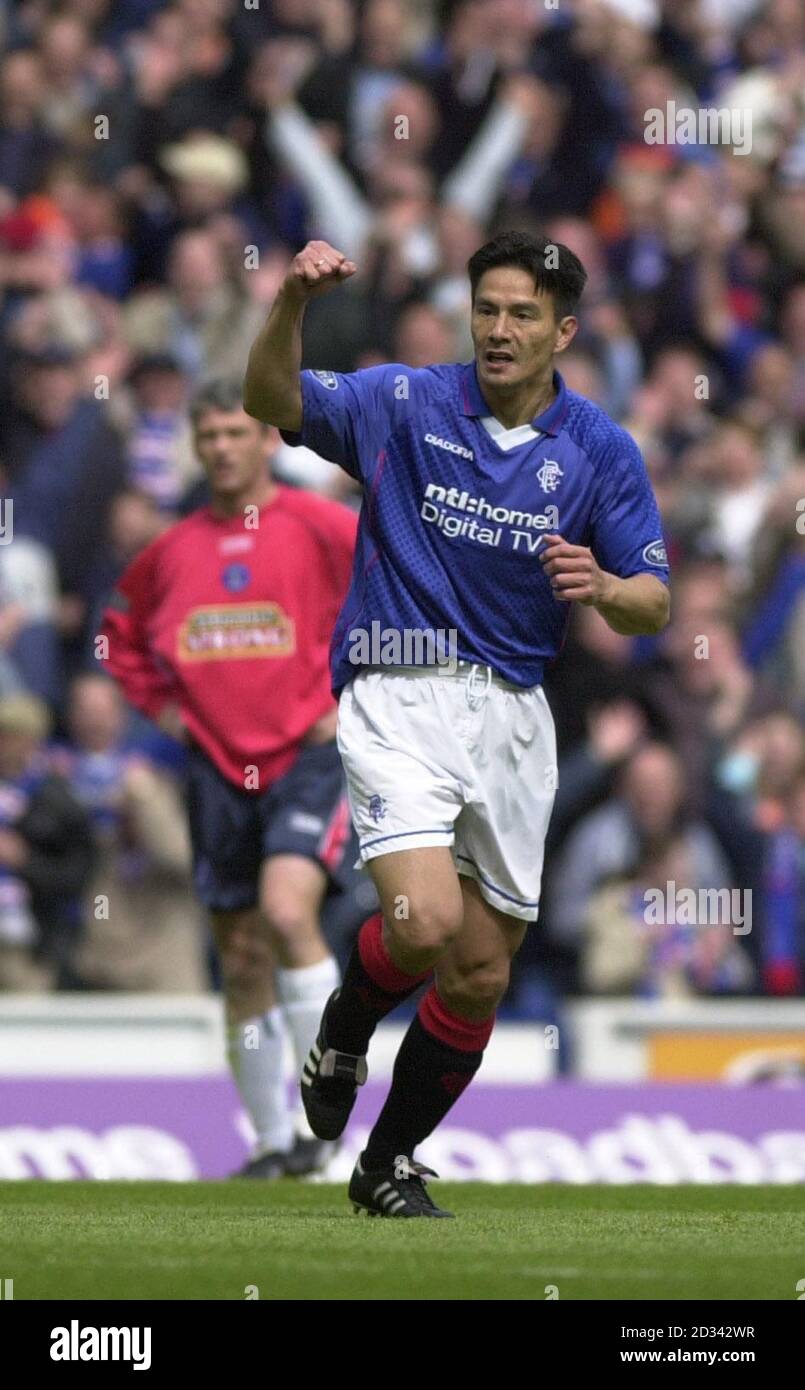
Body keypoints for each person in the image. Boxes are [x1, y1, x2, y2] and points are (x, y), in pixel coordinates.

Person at [243, 230, 671, 1216]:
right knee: (425, 920)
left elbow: (655, 600)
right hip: (395, 687)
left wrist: (605, 586)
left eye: (523, 313)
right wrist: (289, 304)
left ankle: (383, 1162)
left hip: (515, 716)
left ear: (562, 330)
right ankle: (344, 1027)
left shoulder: (599, 449)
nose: (499, 328)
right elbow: (271, 399)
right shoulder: (403, 401)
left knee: (478, 970)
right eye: (487, 307)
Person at [100, 377, 357, 1178]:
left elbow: (404, 598)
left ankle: (327, 1126)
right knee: (240, 956)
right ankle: (273, 1139)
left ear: (266, 439)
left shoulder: (323, 526)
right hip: (215, 767)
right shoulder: (169, 554)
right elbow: (119, 638)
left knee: (287, 911)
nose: (219, 448)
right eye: (206, 435)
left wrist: (358, 695)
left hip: (306, 758)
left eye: (234, 434)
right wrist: (163, 711)